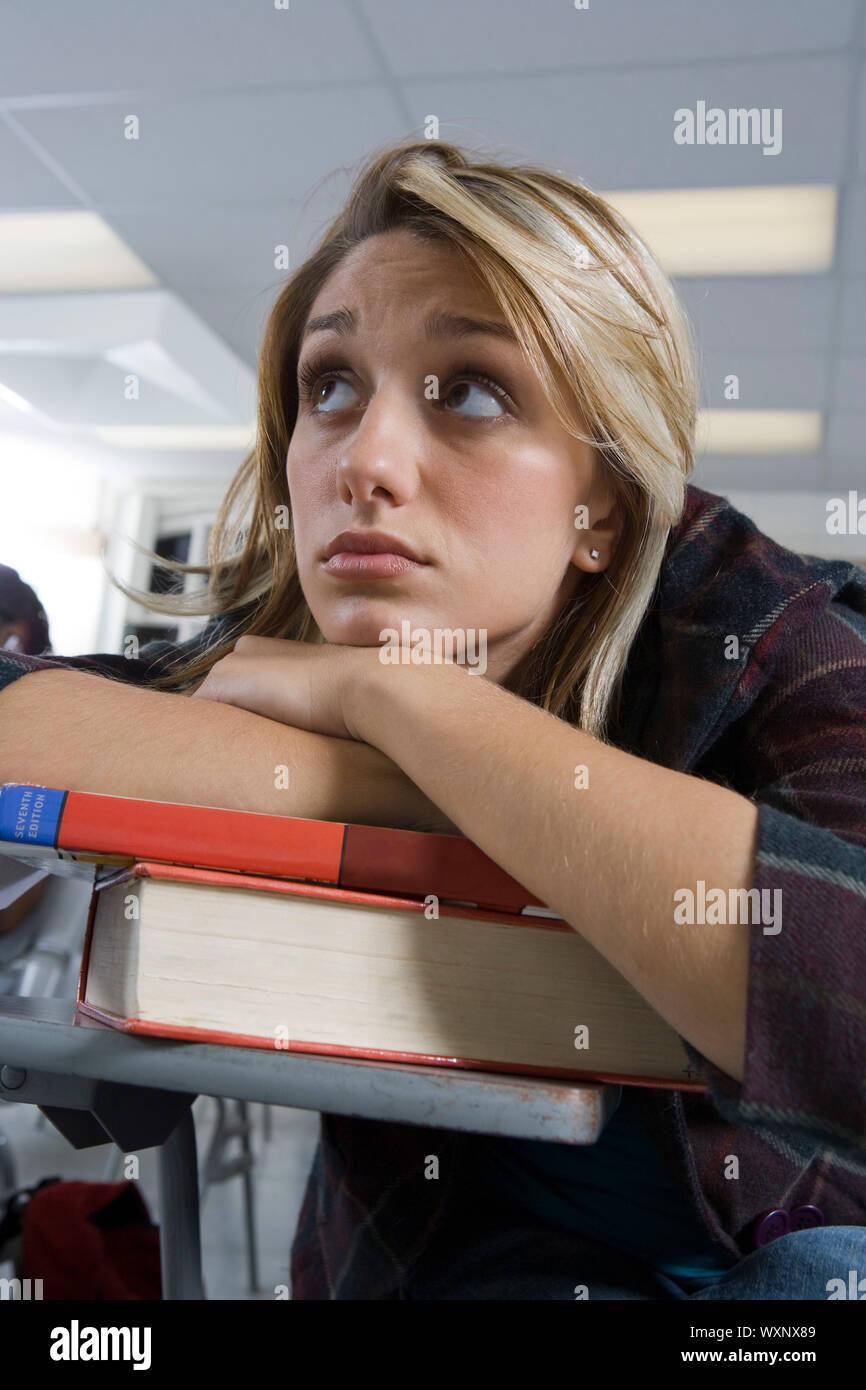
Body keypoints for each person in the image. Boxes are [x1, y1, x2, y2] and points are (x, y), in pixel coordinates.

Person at [0, 139, 864, 1300]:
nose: (366, 459)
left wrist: (404, 701)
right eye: (330, 386)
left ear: (598, 504)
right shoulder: (287, 654)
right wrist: (427, 769)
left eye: (468, 391)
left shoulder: (767, 633)